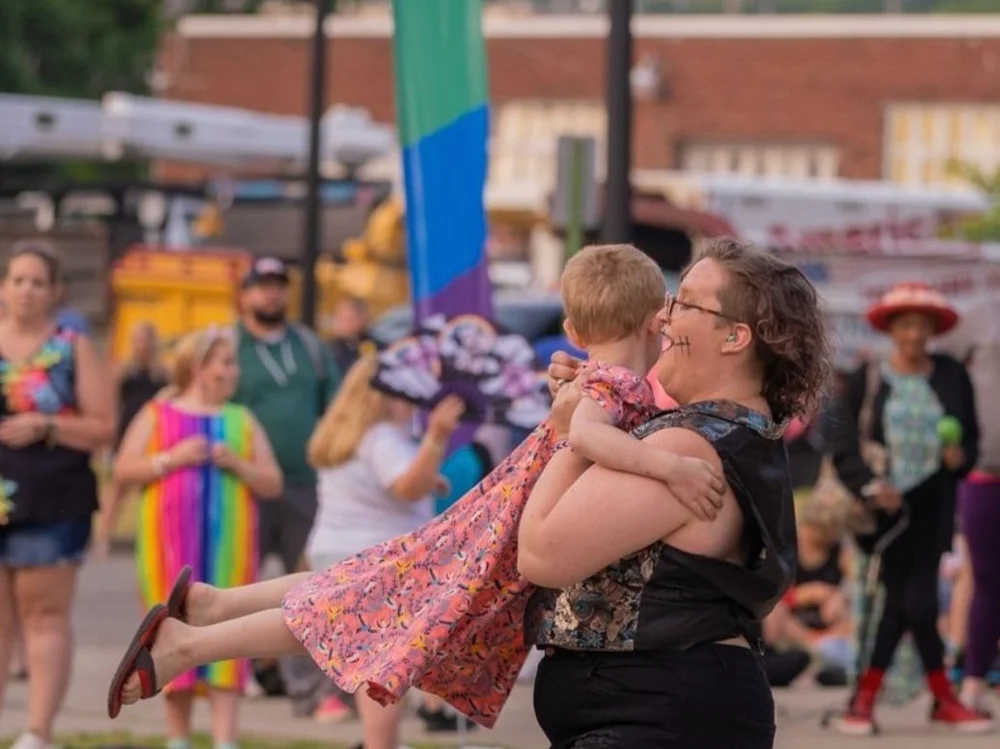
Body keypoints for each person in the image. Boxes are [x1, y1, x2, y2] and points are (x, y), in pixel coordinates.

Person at [105, 244, 725, 739]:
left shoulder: (596, 377)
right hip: (493, 539)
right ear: (656, 319)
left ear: (571, 327)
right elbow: (586, 435)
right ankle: (191, 643)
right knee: (358, 606)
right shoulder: (614, 385)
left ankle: (213, 607)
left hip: (484, 526)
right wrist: (668, 467)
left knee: (359, 583)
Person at [517, 237, 833, 748]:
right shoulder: (737, 431)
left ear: (734, 337)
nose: (663, 317)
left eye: (684, 303)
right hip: (663, 704)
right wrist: (599, 403)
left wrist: (571, 431)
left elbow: (540, 554)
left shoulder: (688, 444)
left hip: (655, 707)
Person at [829, 282, 989, 734]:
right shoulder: (868, 376)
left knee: (910, 602)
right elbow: (844, 447)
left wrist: (960, 458)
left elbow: (971, 440)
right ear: (891, 329)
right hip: (885, 513)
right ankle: (938, 699)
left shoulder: (951, 374)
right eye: (906, 325)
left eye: (923, 325)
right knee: (908, 603)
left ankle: (867, 701)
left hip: (933, 507)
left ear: (933, 330)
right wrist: (871, 486)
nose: (915, 334)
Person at [112, 326, 281, 749]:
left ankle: (225, 740)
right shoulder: (158, 414)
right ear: (199, 366)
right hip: (169, 545)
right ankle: (178, 739)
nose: (233, 371)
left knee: (230, 633)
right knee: (169, 630)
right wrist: (171, 459)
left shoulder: (241, 419)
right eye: (225, 362)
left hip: (230, 549)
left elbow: (272, 482)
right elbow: (123, 469)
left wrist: (239, 465)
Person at [303, 355, 463, 746]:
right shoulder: (384, 438)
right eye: (408, 392)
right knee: (382, 663)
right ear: (387, 395)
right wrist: (437, 436)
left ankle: (379, 742)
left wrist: (427, 476)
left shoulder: (344, 435)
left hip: (335, 551)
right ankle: (381, 744)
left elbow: (388, 483)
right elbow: (405, 486)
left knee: (369, 658)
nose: (415, 401)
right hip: (376, 559)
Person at [0, 241, 115, 749]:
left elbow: (103, 427)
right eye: (18, 280)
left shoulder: (73, 347)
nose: (26, 290)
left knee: (43, 614)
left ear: (55, 292)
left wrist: (46, 424)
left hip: (52, 497)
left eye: (37, 282)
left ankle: (38, 731)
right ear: (3, 287)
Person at [232, 257, 340, 712]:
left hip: (303, 483)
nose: (271, 294)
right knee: (239, 581)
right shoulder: (230, 346)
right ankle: (233, 674)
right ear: (245, 295)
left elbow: (336, 408)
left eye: (278, 285)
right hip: (243, 484)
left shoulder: (309, 346)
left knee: (309, 583)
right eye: (262, 285)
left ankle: (308, 686)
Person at [95, 322, 170, 556]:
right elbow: (111, 404)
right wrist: (109, 440)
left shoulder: (162, 374)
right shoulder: (123, 371)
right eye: (138, 340)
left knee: (155, 491)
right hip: (127, 435)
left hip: (154, 436)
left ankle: (156, 540)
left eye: (146, 340)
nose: (142, 345)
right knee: (117, 489)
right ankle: (103, 537)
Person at [328, 296, 373, 375]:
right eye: (337, 316)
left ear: (361, 320)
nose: (337, 323)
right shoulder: (328, 349)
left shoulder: (374, 349)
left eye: (345, 318)